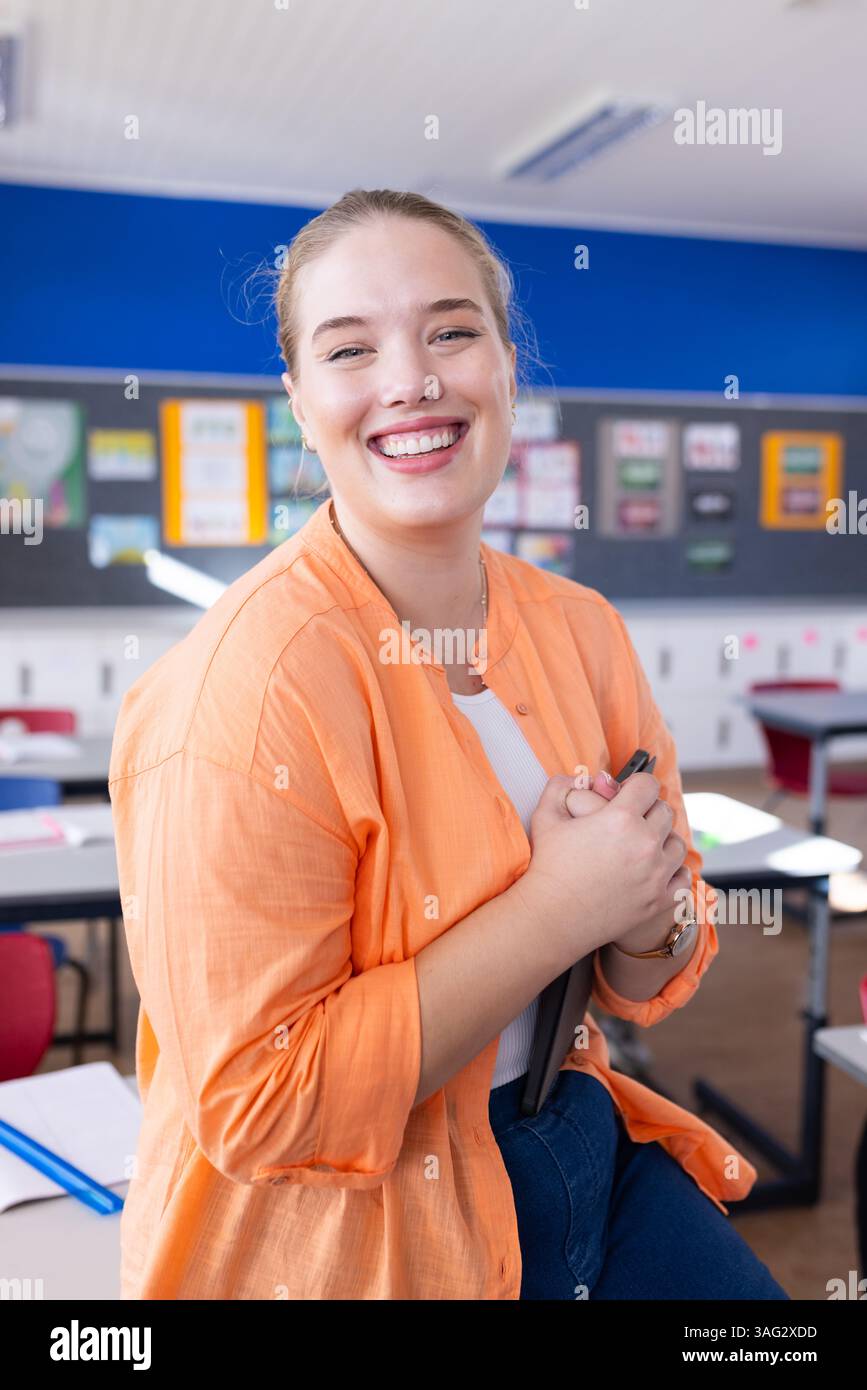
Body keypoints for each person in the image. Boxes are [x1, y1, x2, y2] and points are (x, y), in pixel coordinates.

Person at [109, 187, 789, 1300]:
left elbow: (657, 958)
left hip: (562, 1140)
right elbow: (265, 1104)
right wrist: (561, 908)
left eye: (452, 331)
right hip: (344, 1235)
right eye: (350, 348)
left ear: (506, 364)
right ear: (298, 399)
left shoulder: (582, 629)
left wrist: (645, 903)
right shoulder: (242, 692)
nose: (411, 380)